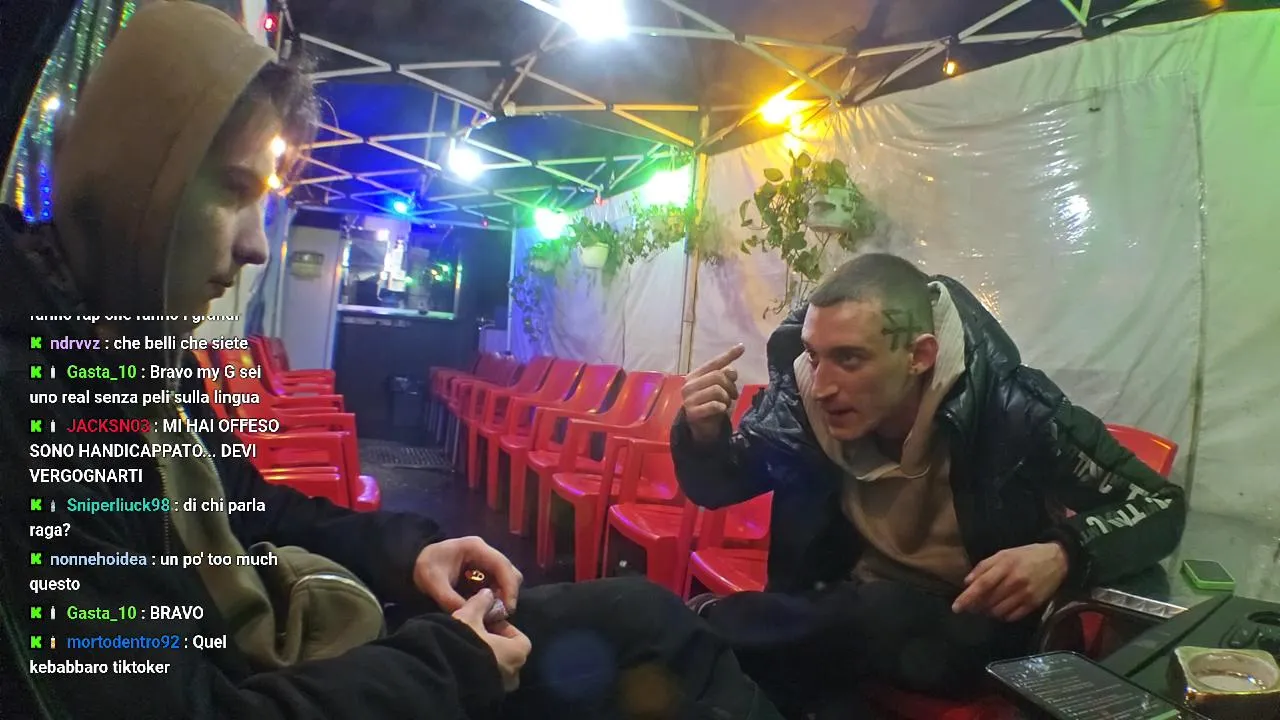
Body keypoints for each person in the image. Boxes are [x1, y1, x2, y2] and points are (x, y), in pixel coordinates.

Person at [0, 3, 780, 719]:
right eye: (231, 190)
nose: (256, 246)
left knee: (644, 617)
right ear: (137, 177)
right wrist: (454, 664)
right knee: (644, 647)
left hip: (295, 639)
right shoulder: (36, 417)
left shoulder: (130, 360)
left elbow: (250, 507)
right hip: (270, 674)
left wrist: (409, 552)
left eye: (261, 204)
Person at [671, 252, 1187, 717]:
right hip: (836, 609)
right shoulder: (805, 397)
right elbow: (720, 486)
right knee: (759, 679)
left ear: (920, 355)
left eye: (850, 359)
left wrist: (1063, 552)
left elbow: (1158, 502)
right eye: (813, 354)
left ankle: (698, 625)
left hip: (970, 622)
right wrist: (703, 434)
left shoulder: (1012, 408)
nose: (823, 384)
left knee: (873, 615)